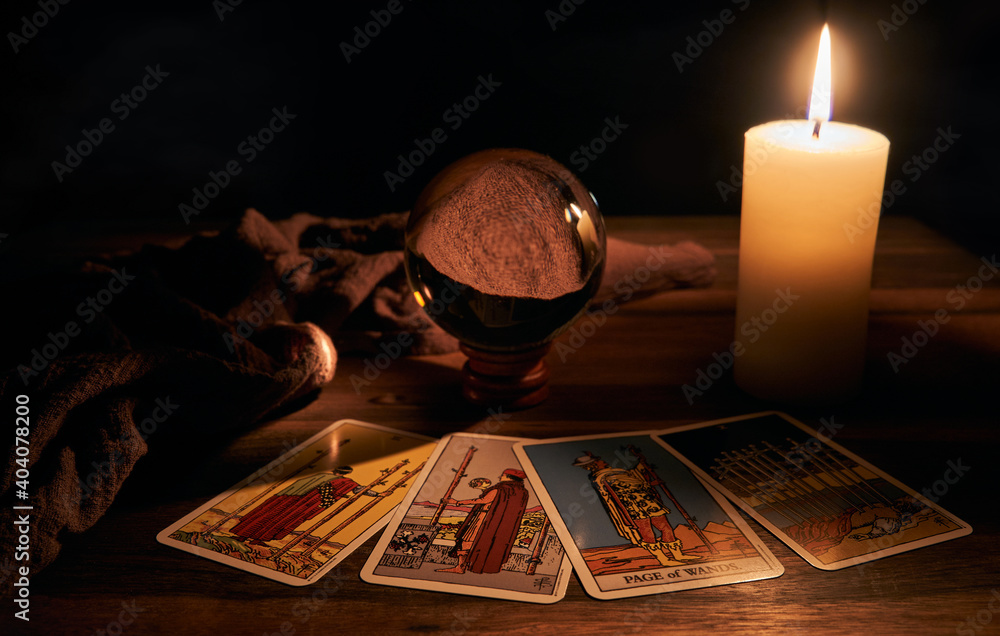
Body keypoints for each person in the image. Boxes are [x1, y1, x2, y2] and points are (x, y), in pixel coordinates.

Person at [574, 452, 699, 565]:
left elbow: (636, 477)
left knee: (666, 527)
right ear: (594, 465)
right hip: (632, 506)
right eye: (598, 461)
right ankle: (663, 559)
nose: (602, 461)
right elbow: (629, 485)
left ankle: (678, 555)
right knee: (648, 533)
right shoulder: (600, 478)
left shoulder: (619, 471)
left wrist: (641, 466)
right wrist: (646, 483)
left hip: (648, 501)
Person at [230, 466, 376, 544]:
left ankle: (243, 537)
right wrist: (377, 494)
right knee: (283, 520)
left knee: (269, 516)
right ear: (345, 473)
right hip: (302, 505)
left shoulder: (319, 476)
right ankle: (257, 539)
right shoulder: (344, 481)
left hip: (286, 500)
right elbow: (358, 489)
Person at [436, 469, 529, 574]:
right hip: (499, 525)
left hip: (484, 521)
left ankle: (460, 567)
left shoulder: (501, 489)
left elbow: (482, 501)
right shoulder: (522, 492)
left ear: (509, 477)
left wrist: (456, 502)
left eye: (503, 475)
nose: (500, 477)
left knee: (467, 541)